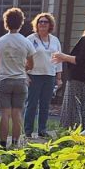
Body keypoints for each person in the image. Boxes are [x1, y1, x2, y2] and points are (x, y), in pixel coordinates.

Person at [0, 6, 31, 149]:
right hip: (20, 80)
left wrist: (5, 67)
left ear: (6, 22)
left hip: (4, 80)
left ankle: (2, 144)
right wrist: (23, 68)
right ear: (21, 22)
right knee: (17, 113)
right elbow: (31, 63)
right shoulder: (26, 42)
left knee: (5, 114)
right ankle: (15, 143)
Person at [22, 11, 63, 140]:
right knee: (32, 104)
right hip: (34, 75)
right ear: (37, 24)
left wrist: (59, 77)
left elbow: (59, 59)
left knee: (45, 105)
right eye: (40, 22)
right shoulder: (30, 39)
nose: (43, 24)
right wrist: (25, 74)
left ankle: (42, 130)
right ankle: (28, 131)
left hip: (49, 75)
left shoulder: (55, 40)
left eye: (45, 22)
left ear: (50, 24)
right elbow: (23, 57)